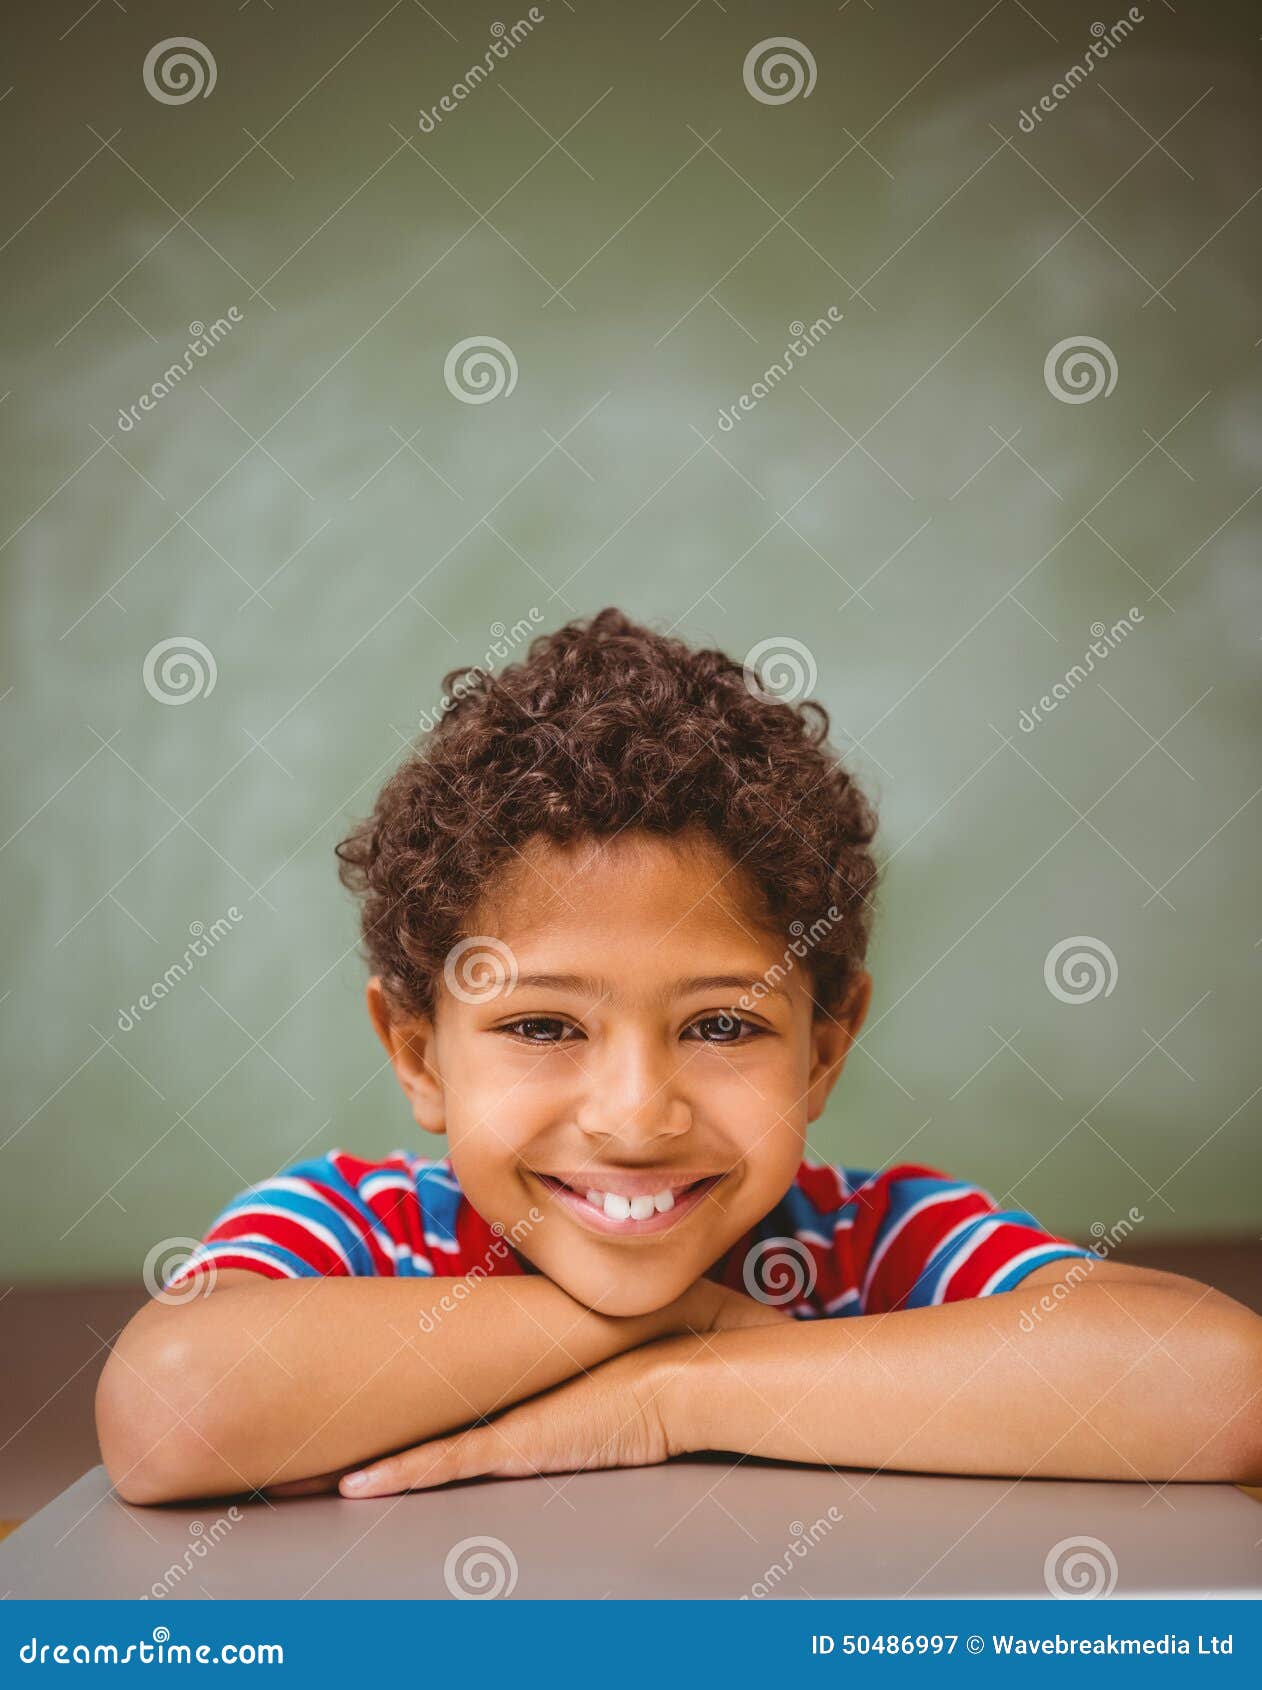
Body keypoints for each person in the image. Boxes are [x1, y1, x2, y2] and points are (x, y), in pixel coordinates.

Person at [96, 609, 1262, 1504]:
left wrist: (672, 1395)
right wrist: (672, 1318)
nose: (635, 1115)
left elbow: (1221, 1387)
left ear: (820, 1048)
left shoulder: (871, 1250)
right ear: (418, 1053)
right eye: (543, 1027)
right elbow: (167, 1412)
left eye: (719, 1026)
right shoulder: (359, 1234)